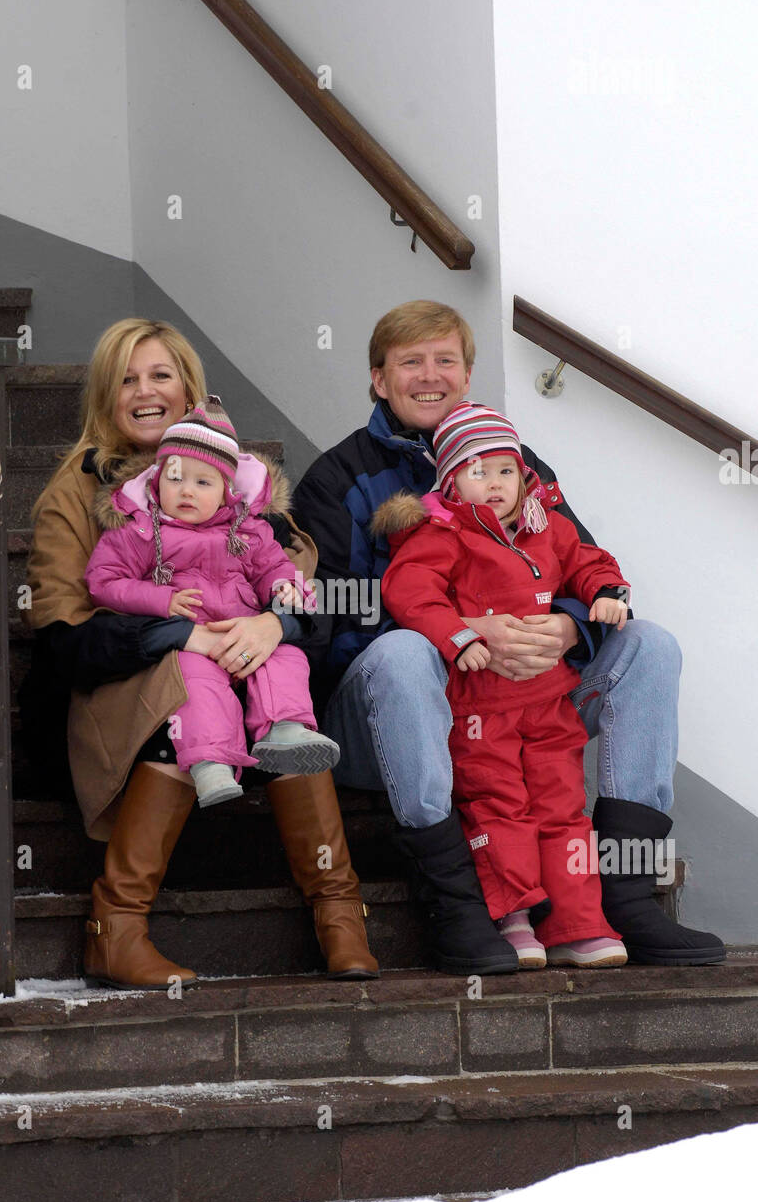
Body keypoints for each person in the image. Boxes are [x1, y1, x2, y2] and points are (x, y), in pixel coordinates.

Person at [291, 299, 725, 970]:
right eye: (410, 363)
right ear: (379, 379)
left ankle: (625, 894)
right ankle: (455, 904)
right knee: (404, 651)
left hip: (521, 701)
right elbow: (326, 618)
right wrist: (463, 630)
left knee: (650, 646)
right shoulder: (339, 477)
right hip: (391, 713)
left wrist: (565, 627)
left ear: (466, 376)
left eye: (445, 361)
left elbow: (578, 561)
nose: (429, 376)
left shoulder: (515, 464)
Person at [23, 318, 378, 989]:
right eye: (126, 379)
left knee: (287, 716)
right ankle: (116, 927)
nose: (145, 391)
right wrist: (179, 634)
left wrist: (274, 627)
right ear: (105, 395)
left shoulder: (246, 495)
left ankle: (340, 913)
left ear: (189, 389)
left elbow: (310, 602)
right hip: (127, 694)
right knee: (183, 690)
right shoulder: (75, 495)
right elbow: (64, 643)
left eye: (160, 374)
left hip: (246, 678)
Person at [376, 402, 630, 968]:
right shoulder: (440, 532)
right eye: (476, 471)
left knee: (563, 809)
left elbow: (588, 561)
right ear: (450, 482)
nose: (493, 484)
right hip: (479, 708)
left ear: (524, 477)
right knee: (499, 809)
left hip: (548, 704)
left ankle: (578, 923)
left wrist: (608, 593)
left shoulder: (549, 528)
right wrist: (459, 635)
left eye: (505, 470)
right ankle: (512, 918)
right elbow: (411, 592)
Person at [84, 402, 339, 807]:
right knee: (194, 686)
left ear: (227, 492)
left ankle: (285, 728)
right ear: (155, 482)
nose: (186, 490)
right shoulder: (141, 533)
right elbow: (103, 581)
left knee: (287, 658)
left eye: (203, 483)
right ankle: (210, 762)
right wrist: (162, 599)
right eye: (175, 478)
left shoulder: (249, 532)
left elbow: (273, 566)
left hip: (247, 635)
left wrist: (284, 591)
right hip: (194, 643)